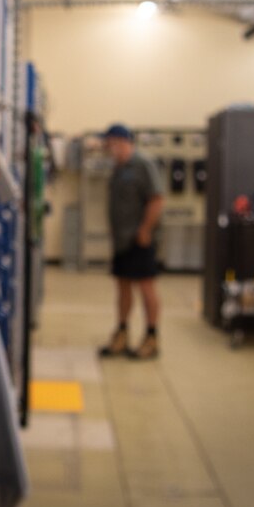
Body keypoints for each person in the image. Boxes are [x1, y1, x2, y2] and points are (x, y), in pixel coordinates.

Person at [98, 124, 164, 359]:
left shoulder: (142, 164)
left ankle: (151, 337)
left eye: (109, 143)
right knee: (123, 287)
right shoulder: (119, 167)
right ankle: (122, 333)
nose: (107, 148)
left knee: (146, 287)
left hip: (140, 238)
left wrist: (145, 230)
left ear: (120, 141)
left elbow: (156, 199)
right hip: (122, 240)